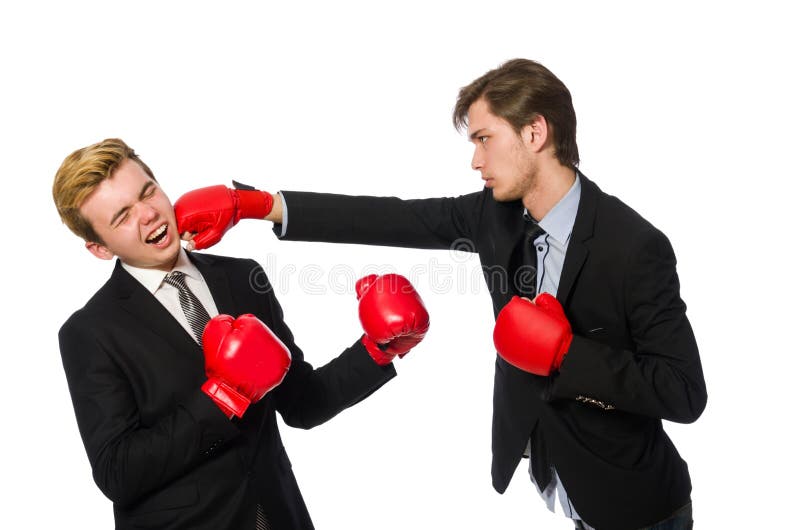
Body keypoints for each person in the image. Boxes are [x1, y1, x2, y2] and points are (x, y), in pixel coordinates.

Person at [175, 59, 707, 530]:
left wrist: (569, 355)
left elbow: (684, 393)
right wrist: (261, 204)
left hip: (637, 506)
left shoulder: (635, 247)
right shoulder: (494, 216)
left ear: (535, 133)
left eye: (483, 139)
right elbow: (392, 217)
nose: (475, 161)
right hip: (562, 485)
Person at [53, 138, 430, 530]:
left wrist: (377, 349)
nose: (148, 214)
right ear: (99, 248)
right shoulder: (90, 331)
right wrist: (222, 397)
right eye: (123, 216)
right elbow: (118, 472)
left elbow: (304, 403)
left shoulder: (241, 277)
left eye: (148, 192)